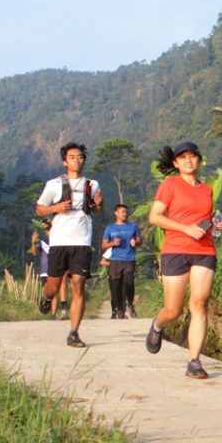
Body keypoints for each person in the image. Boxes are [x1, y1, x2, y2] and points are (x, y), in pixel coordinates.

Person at [145, 141, 222, 379]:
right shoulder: (170, 185)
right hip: (176, 250)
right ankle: (157, 325)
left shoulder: (207, 190)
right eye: (183, 157)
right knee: (173, 310)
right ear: (176, 163)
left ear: (199, 160)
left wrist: (216, 224)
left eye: (193, 156)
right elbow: (155, 217)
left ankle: (194, 362)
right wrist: (185, 228)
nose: (189, 160)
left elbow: (206, 218)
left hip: (204, 250)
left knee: (199, 303)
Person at [35, 142, 103, 347]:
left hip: (82, 241)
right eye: (72, 157)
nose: (77, 160)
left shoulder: (92, 185)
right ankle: (47, 298)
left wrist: (99, 204)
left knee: (79, 283)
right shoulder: (53, 184)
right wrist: (56, 207)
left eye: (81, 156)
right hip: (59, 241)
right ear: (65, 161)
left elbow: (98, 210)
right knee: (53, 286)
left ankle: (74, 332)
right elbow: (39, 209)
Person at [102, 204, 142, 319]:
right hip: (115, 261)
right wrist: (112, 244)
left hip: (129, 259)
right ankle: (120, 310)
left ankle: (130, 303)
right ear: (116, 213)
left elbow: (140, 240)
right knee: (116, 286)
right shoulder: (110, 228)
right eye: (123, 212)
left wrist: (136, 242)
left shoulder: (133, 226)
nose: (125, 214)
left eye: (126, 212)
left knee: (129, 282)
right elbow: (104, 245)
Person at [29, 219, 69, 319]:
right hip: (45, 272)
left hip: (55, 270)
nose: (48, 232)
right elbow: (34, 253)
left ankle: (53, 315)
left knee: (54, 292)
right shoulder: (43, 243)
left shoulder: (60, 242)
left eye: (49, 230)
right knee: (48, 293)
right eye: (46, 231)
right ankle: (51, 312)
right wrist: (33, 242)